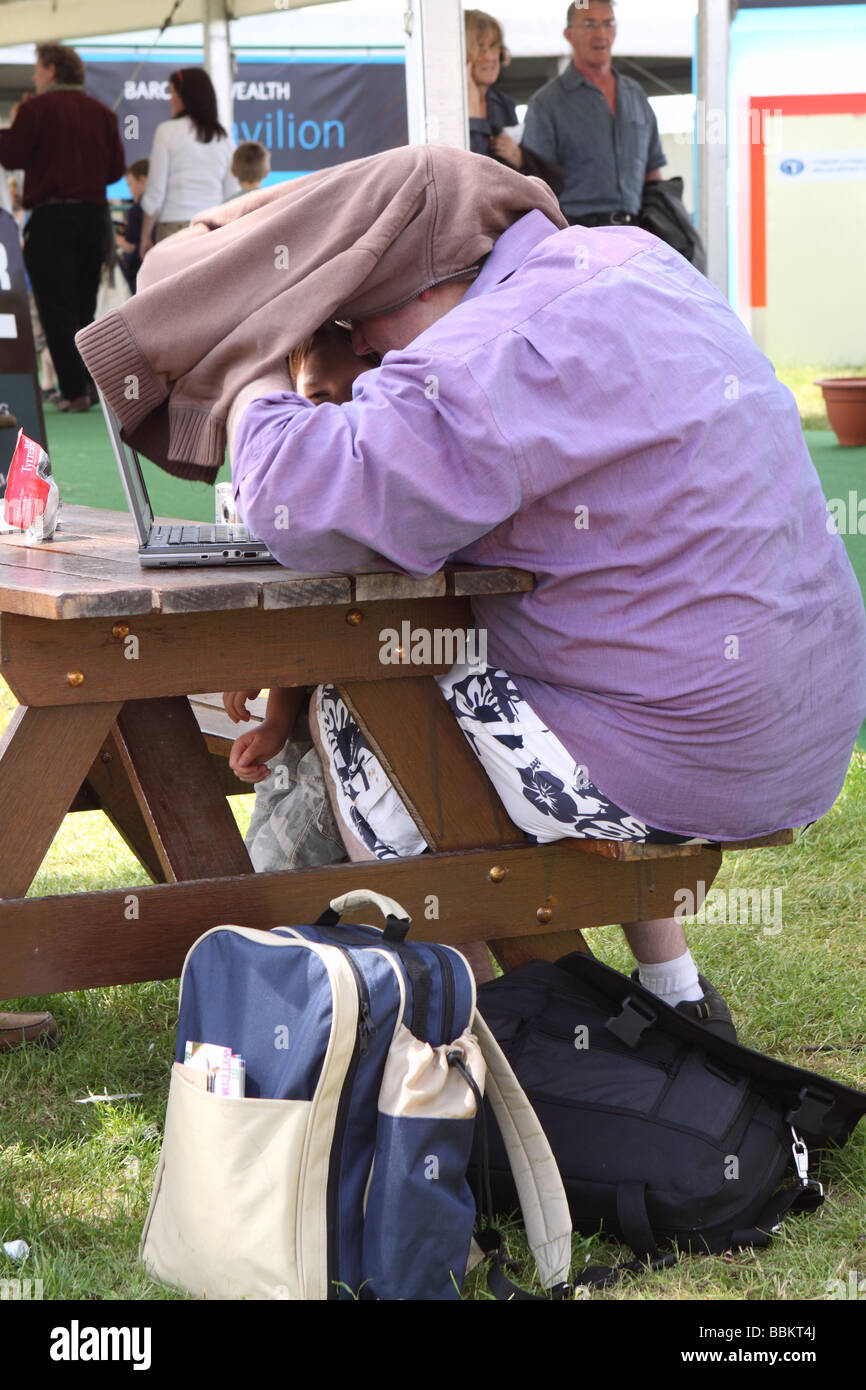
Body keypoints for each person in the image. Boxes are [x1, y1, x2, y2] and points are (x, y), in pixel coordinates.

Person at [211, 147, 866, 1027]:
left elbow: (296, 504)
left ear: (427, 282)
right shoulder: (634, 260)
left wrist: (252, 357)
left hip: (672, 753)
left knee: (367, 683)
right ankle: (670, 990)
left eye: (364, 313)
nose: (361, 341)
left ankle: (493, 1012)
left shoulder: (489, 345)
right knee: (540, 664)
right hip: (796, 731)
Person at [223, 322, 380, 874]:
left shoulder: (388, 476)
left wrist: (275, 658)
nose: (334, 413)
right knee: (252, 857)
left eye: (356, 393)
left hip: (379, 726)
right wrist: (275, 719)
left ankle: (249, 939)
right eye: (316, 398)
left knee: (265, 876)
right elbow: (311, 618)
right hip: (313, 708)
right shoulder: (297, 488)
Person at [0, 44, 125, 412]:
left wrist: (18, 119)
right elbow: (116, 171)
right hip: (94, 217)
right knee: (84, 304)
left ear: (52, 70)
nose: (35, 77)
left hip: (51, 217)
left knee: (56, 306)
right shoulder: (103, 113)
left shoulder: (36, 109)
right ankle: (87, 383)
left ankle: (74, 391)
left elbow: (10, 155)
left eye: (37, 69)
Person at [523, 0, 667, 226]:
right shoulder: (545, 104)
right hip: (578, 235)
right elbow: (536, 188)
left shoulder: (635, 95)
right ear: (569, 35)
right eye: (589, 24)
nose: (600, 33)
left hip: (637, 234)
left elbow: (653, 174)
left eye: (608, 24)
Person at [139, 68, 238, 256]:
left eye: (173, 92)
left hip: (174, 227)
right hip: (211, 226)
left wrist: (144, 236)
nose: (170, 98)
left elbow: (155, 191)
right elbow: (231, 191)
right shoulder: (223, 136)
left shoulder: (166, 131)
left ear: (186, 96)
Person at [465, 9, 563, 194]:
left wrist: (517, 156)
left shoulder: (504, 105)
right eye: (480, 48)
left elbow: (520, 182)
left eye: (494, 46)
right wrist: (474, 115)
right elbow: (472, 172)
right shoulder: (447, 104)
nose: (490, 57)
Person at [116, 159, 148, 293]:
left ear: (143, 180)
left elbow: (130, 247)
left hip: (140, 270)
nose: (129, 191)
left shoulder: (137, 210)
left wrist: (115, 238)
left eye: (130, 185)